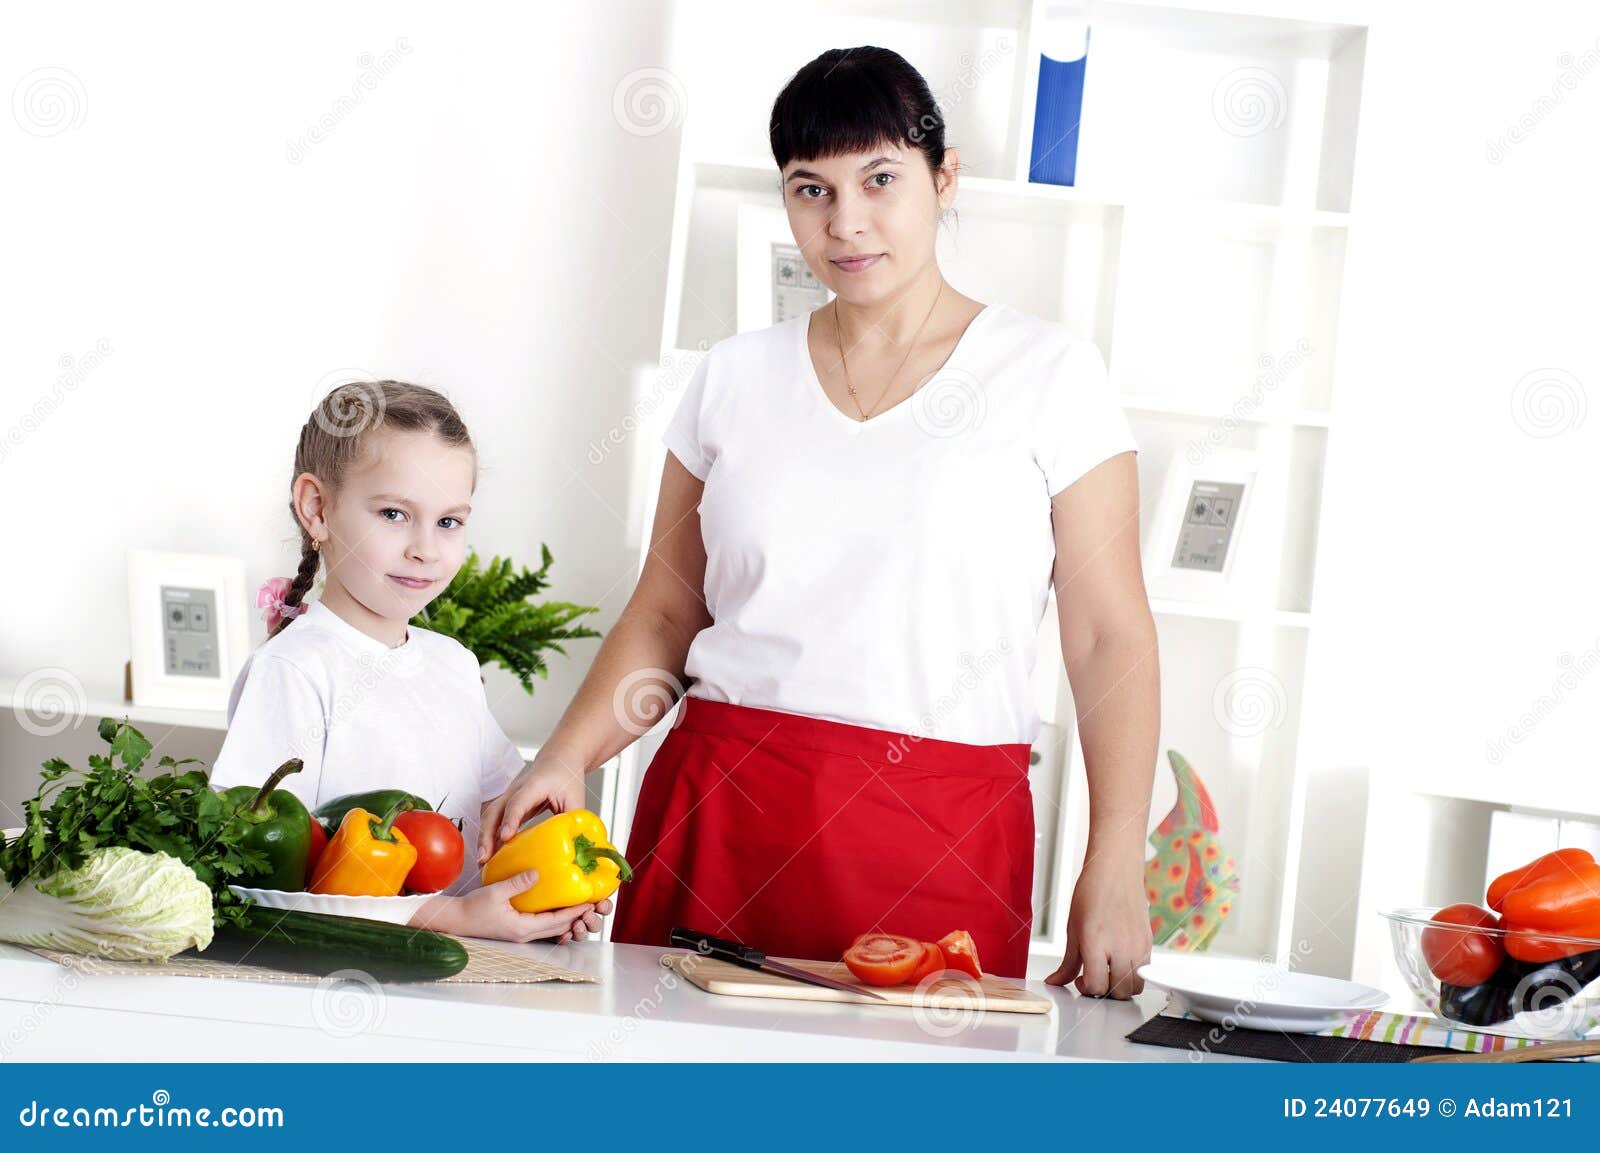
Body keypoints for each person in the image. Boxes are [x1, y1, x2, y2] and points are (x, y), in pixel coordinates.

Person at [480, 46, 1159, 991]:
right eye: (811, 189)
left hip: (941, 829)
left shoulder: (1051, 375)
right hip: (720, 808)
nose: (846, 222)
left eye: (880, 179)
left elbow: (1106, 634)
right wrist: (565, 755)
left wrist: (1114, 852)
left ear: (944, 176)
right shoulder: (732, 376)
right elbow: (669, 611)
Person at [209, 380, 609, 944]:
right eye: (394, 513)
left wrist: (548, 887)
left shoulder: (454, 664)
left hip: (475, 967)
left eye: (449, 521)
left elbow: (497, 811)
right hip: (351, 970)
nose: (425, 547)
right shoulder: (295, 668)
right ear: (316, 508)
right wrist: (456, 919)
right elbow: (266, 876)